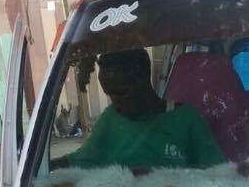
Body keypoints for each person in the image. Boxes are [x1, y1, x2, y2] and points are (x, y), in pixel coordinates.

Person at [55, 48, 225, 171]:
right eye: (109, 93)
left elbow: (217, 174)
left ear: (144, 80)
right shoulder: (111, 118)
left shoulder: (187, 119)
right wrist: (43, 167)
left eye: (122, 92)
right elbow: (84, 159)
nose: (115, 101)